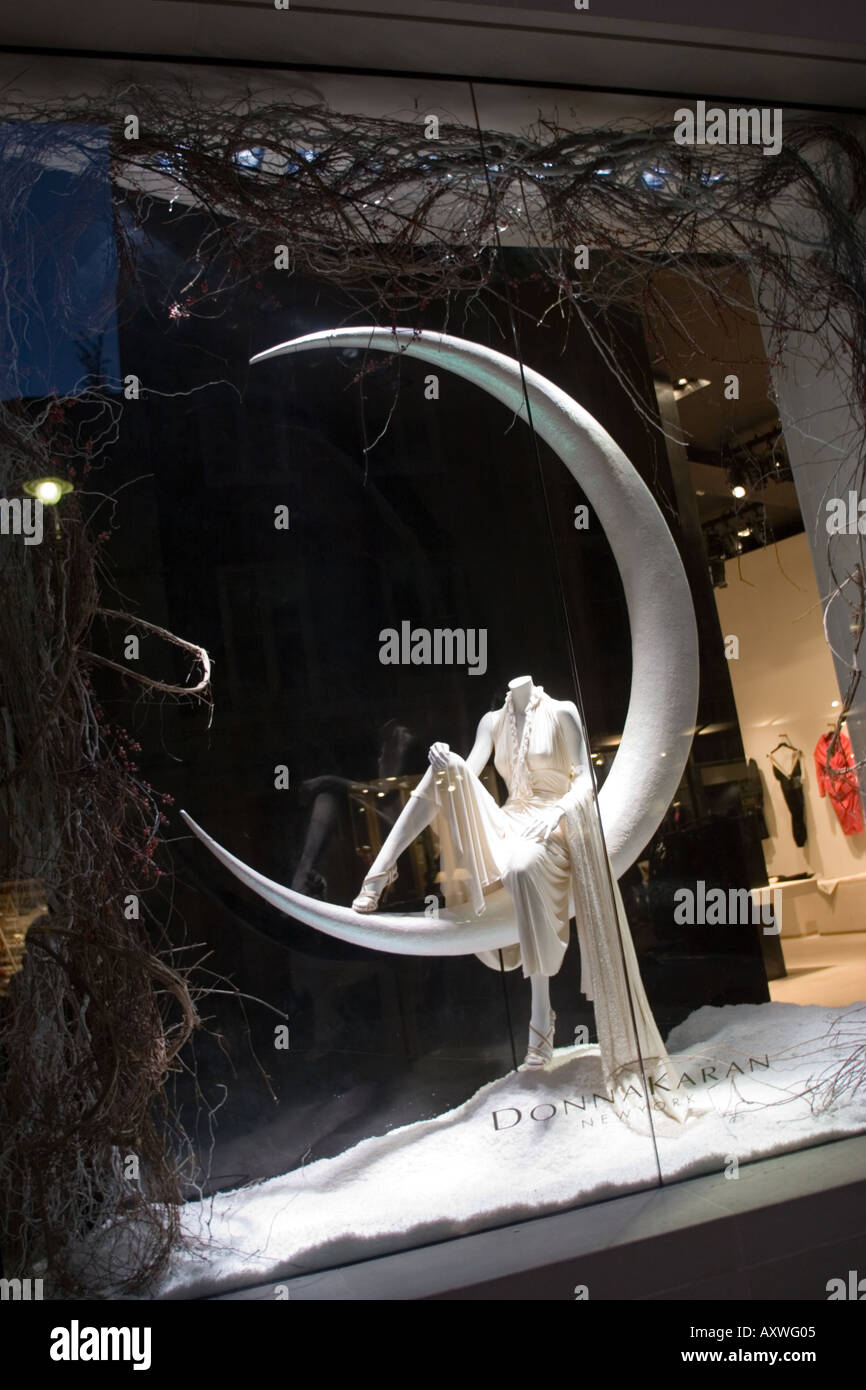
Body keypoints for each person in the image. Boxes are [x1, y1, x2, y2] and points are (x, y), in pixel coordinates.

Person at [353, 676, 687, 1127]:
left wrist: (556, 813)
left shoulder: (563, 711)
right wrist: (446, 761)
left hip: (552, 825)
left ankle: (540, 1012)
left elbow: (586, 778)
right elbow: (468, 774)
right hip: (509, 820)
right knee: (443, 766)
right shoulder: (493, 721)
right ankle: (381, 870)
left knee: (522, 867)